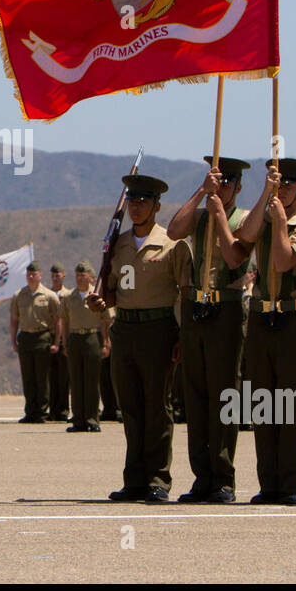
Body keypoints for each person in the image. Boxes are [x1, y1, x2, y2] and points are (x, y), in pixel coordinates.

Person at [221, 159, 296, 505]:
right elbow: (242, 238)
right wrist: (266, 195)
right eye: (281, 184)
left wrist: (280, 222)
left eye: (291, 185)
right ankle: (268, 483)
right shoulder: (263, 215)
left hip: (294, 319)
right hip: (263, 317)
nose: (285, 190)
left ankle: (289, 484)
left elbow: (282, 261)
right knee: (264, 403)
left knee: (291, 405)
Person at [87, 173, 183, 503]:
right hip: (125, 329)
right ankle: (135, 479)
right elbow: (113, 292)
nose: (136, 207)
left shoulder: (170, 243)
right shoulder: (120, 245)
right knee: (131, 407)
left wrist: (181, 336)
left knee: (158, 406)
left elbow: (182, 294)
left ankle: (158, 478)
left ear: (156, 206)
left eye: (143, 202)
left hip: (158, 330)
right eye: (132, 202)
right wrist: (100, 301)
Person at [165, 156, 253, 504]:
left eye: (229, 183)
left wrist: (219, 213)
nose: (224, 188)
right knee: (196, 395)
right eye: (220, 181)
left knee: (223, 395)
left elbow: (236, 257)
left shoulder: (242, 219)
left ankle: (223, 477)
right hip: (195, 307)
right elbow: (173, 230)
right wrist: (202, 192)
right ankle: (202, 476)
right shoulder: (200, 216)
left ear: (238, 187)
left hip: (226, 306)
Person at [61, 260, 112, 432]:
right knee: (76, 381)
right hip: (75, 338)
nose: (79, 278)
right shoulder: (69, 297)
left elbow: (106, 320)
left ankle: (92, 419)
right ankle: (78, 420)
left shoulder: (97, 297)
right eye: (77, 275)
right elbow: (65, 321)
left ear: (90, 277)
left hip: (92, 337)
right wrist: (65, 342)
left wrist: (106, 342)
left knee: (91, 381)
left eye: (82, 275)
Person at [10, 262, 62, 423]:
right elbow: (14, 320)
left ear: (40, 276)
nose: (31, 277)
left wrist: (56, 342)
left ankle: (41, 411)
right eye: (28, 274)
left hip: (42, 337)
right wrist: (13, 341)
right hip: (25, 337)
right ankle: (30, 411)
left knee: (42, 377)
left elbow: (58, 320)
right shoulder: (19, 295)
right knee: (28, 377)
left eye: (34, 274)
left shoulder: (49, 295)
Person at [48, 263, 73, 423]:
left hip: (65, 338)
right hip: (50, 337)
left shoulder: (69, 295)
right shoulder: (47, 294)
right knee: (50, 377)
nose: (55, 278)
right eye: (53, 276)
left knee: (64, 377)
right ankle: (52, 410)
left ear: (63, 276)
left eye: (58, 275)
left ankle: (63, 410)